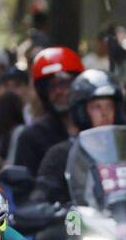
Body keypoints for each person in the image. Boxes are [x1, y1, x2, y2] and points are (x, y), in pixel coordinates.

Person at [32, 68, 126, 205]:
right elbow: (41, 199)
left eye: (109, 106)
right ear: (81, 112)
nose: (104, 113)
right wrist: (63, 212)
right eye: (96, 107)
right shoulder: (61, 156)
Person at [13, 47, 84, 177]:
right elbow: (23, 186)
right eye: (52, 86)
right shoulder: (31, 137)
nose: (59, 91)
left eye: (65, 83)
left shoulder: (94, 125)